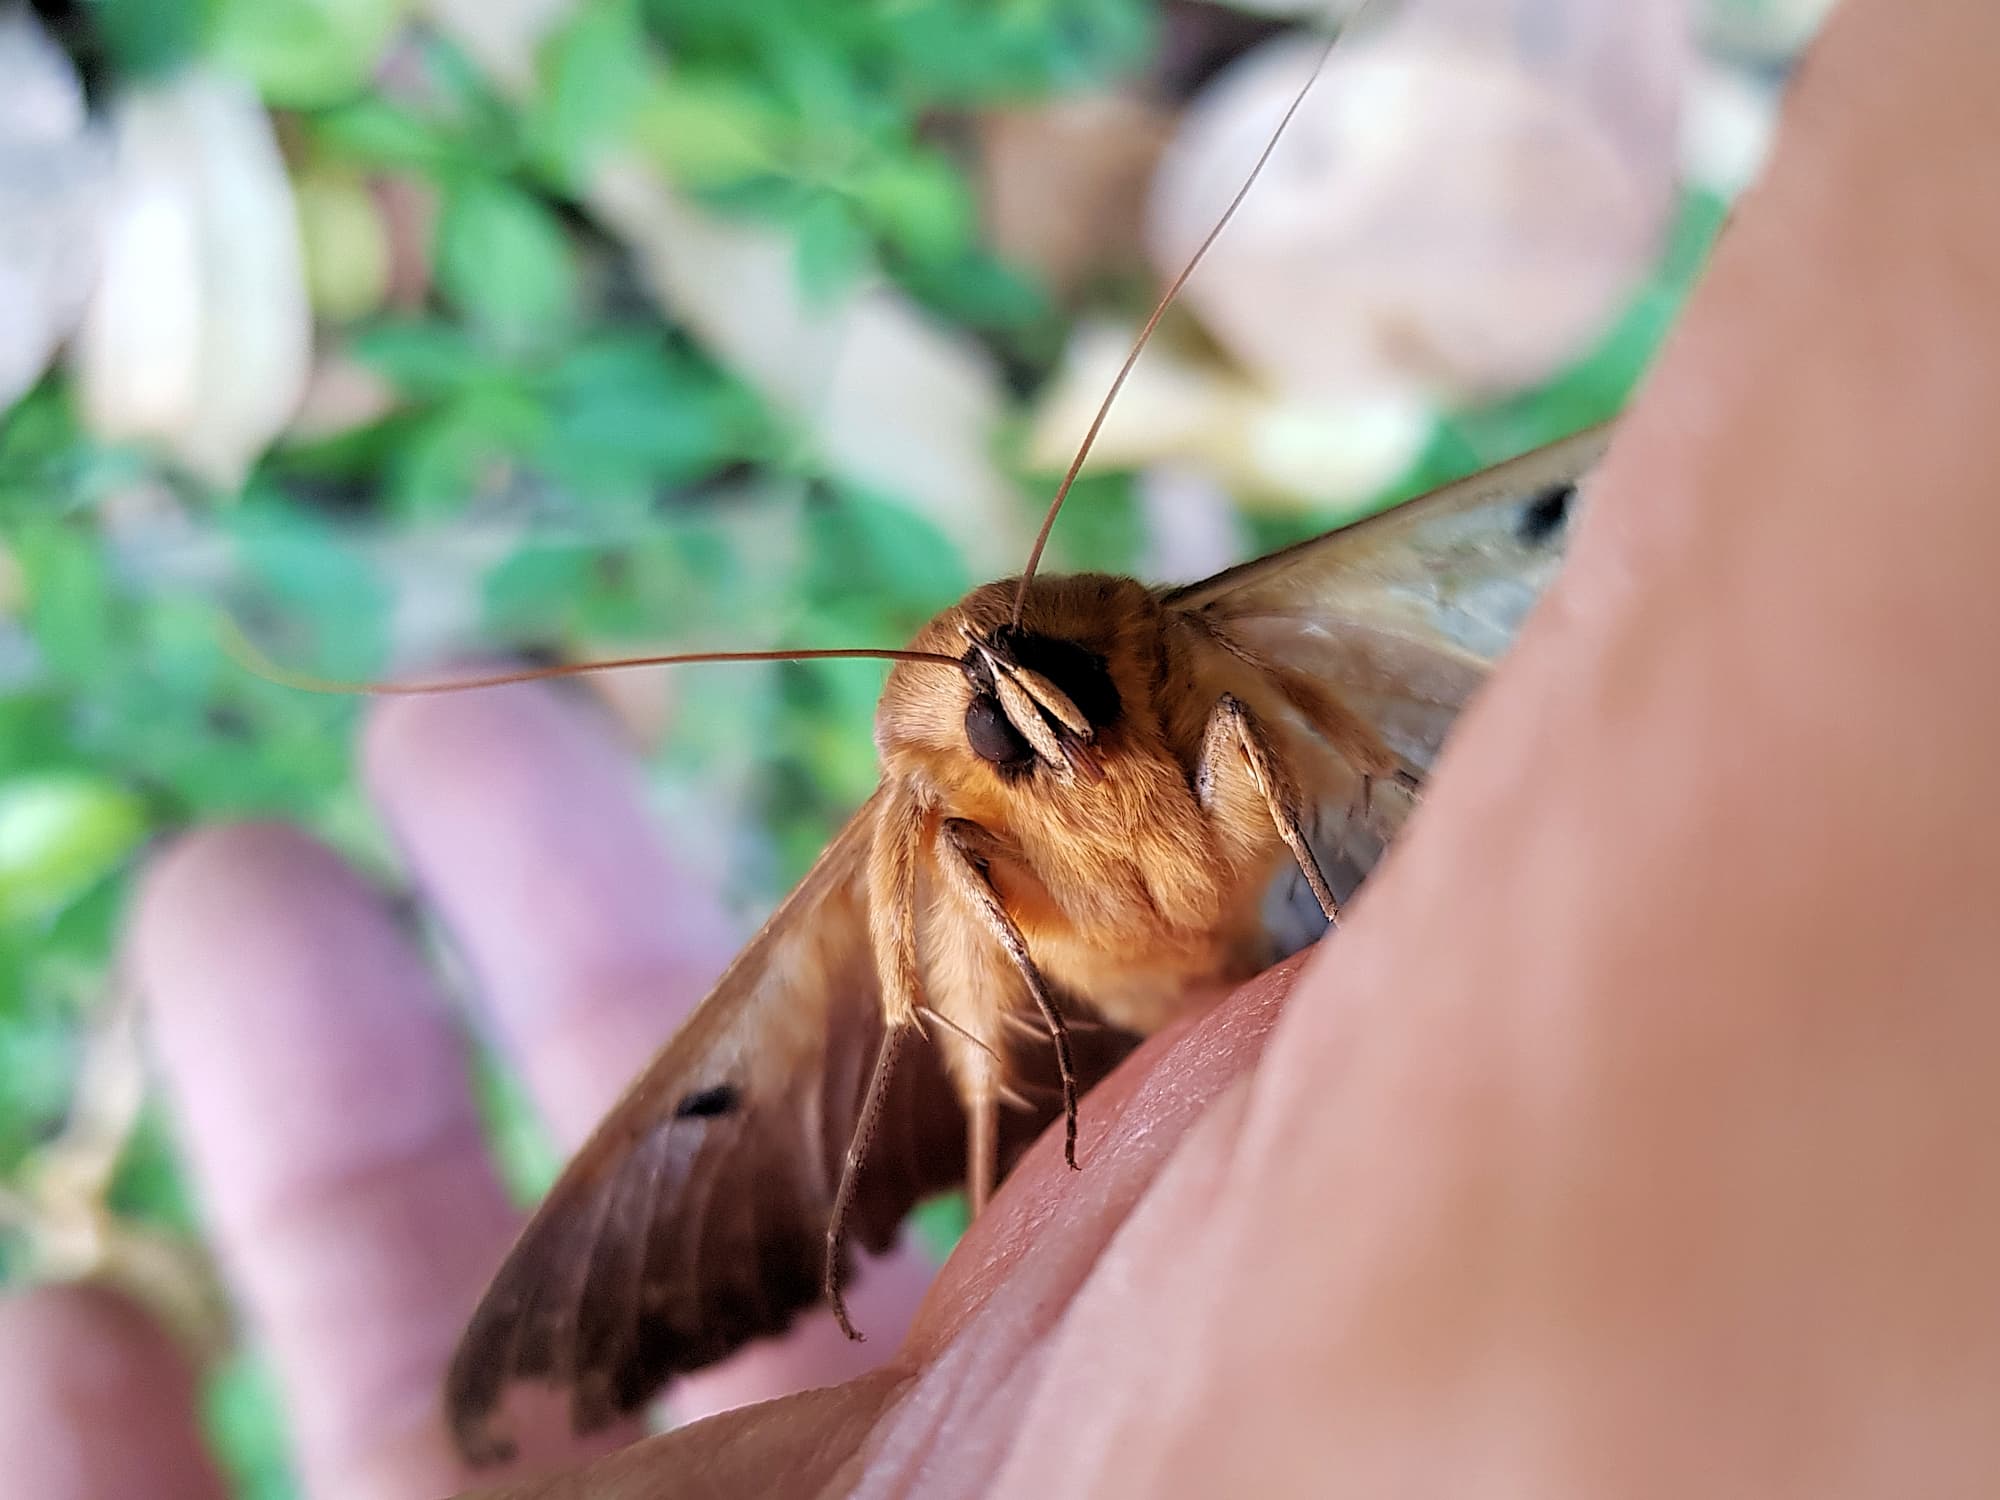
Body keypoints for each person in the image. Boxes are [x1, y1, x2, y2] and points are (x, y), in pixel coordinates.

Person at [9, 0, 2000, 1493]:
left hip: (1338, 960)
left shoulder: (1210, 658)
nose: (1033, 712)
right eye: (994, 718)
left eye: (1051, 677)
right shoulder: (934, 836)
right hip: (1116, 1043)